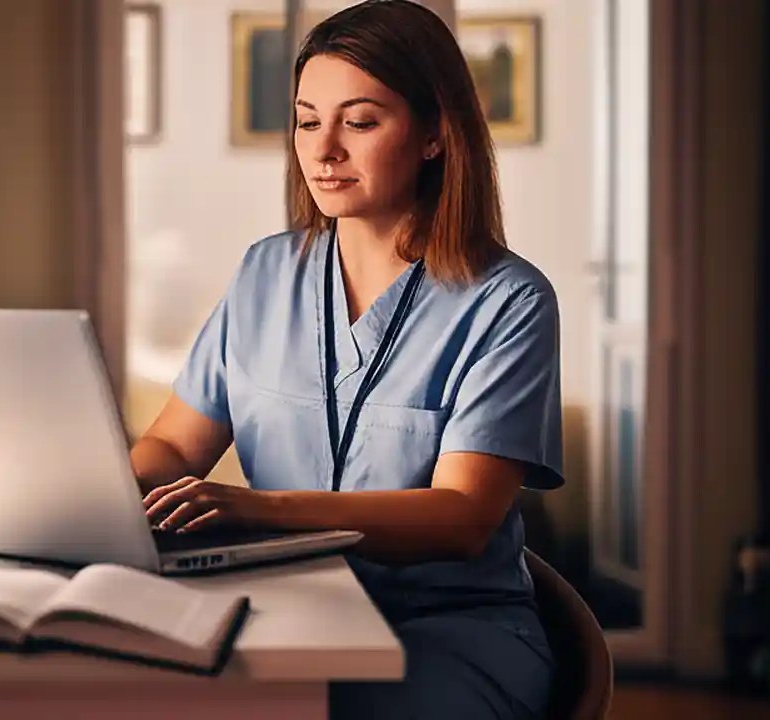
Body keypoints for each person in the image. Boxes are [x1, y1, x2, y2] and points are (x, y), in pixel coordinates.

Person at [130, 2, 561, 718]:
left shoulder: (508, 302)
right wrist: (94, 500)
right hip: (281, 609)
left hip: (443, 631)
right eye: (307, 121)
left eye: (359, 122)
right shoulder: (265, 272)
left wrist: (256, 509)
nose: (324, 149)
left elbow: (461, 517)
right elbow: (177, 443)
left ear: (433, 135)